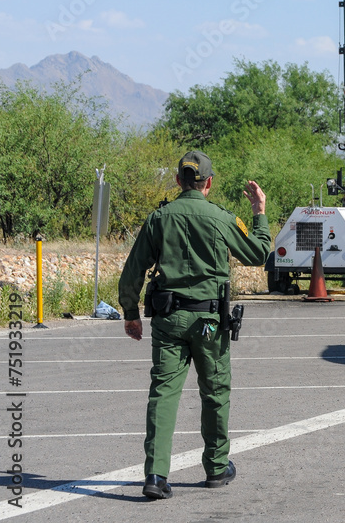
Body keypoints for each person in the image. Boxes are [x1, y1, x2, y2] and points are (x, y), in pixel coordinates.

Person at [118, 151, 271, 500]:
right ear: (209, 183)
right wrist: (259, 213)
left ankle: (155, 475)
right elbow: (258, 253)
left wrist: (130, 313)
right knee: (215, 392)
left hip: (168, 321)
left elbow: (133, 272)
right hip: (209, 323)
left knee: (163, 394)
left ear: (178, 181)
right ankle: (217, 468)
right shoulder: (220, 218)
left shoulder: (159, 218)